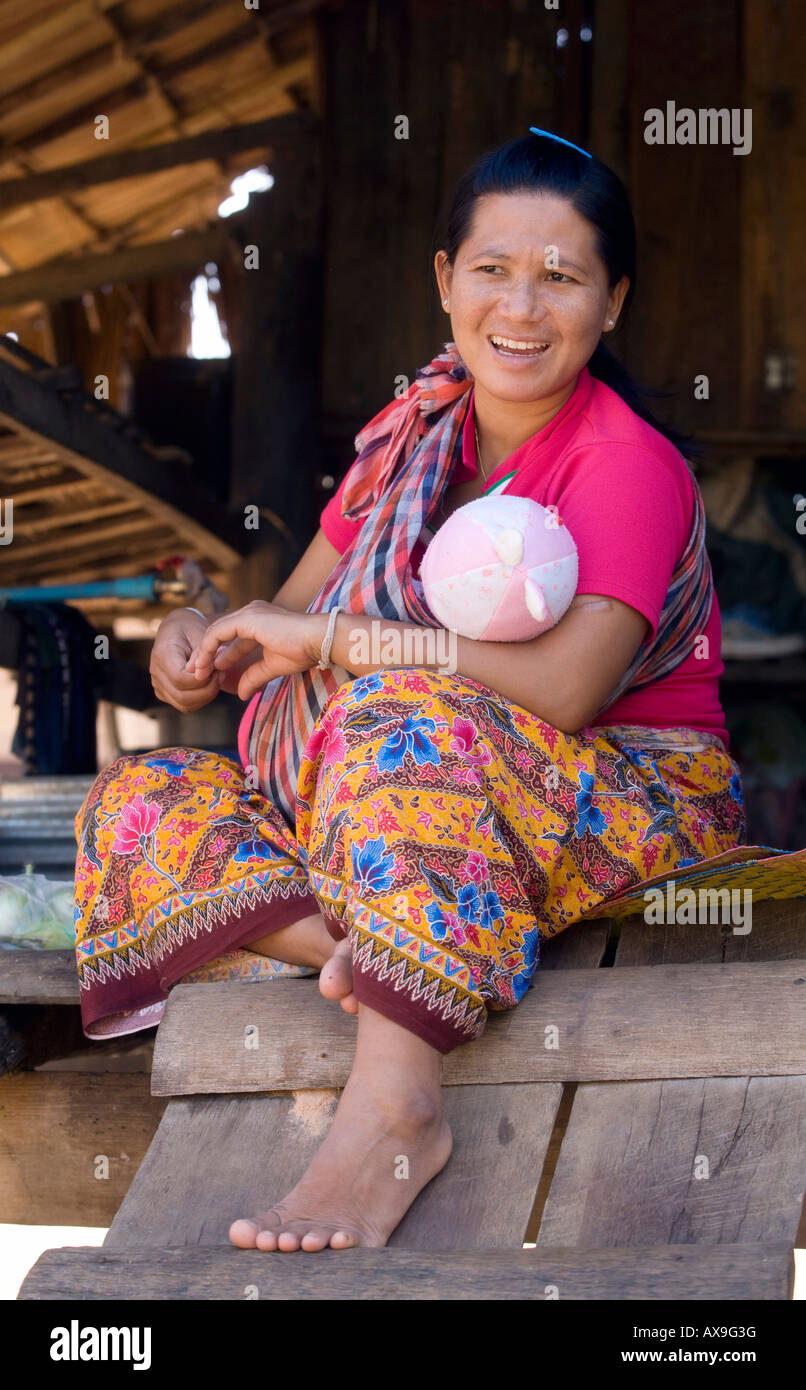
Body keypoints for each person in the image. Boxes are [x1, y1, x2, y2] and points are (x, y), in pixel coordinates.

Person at [73, 131, 746, 1253]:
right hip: (408, 802)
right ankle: (387, 934)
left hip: (631, 800)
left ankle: (395, 1110)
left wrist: (342, 640)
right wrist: (203, 641)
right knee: (141, 798)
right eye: (490, 269)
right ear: (444, 280)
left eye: (561, 275)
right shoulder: (408, 444)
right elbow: (280, 633)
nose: (519, 306)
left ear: (612, 300)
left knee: (396, 714)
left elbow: (568, 690)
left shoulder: (625, 461)